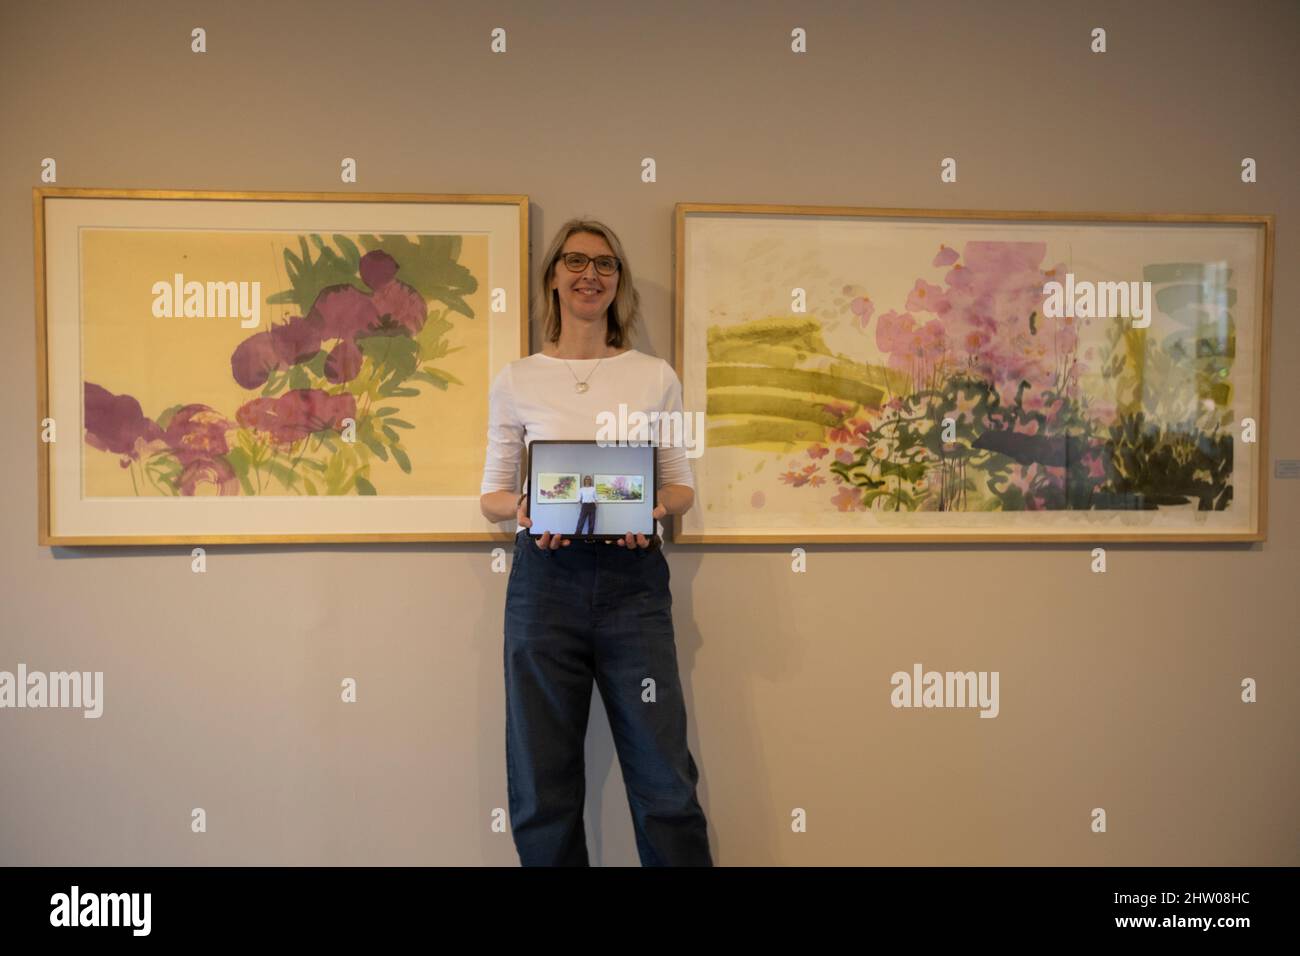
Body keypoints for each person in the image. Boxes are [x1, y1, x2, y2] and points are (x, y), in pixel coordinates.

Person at [478, 219, 712, 866]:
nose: (590, 275)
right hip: (544, 581)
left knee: (665, 780)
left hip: (632, 581)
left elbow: (681, 487)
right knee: (541, 782)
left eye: (605, 264)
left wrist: (653, 510)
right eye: (576, 261)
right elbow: (492, 495)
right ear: (553, 275)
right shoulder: (517, 378)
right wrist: (527, 510)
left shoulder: (653, 375)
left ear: (619, 282)